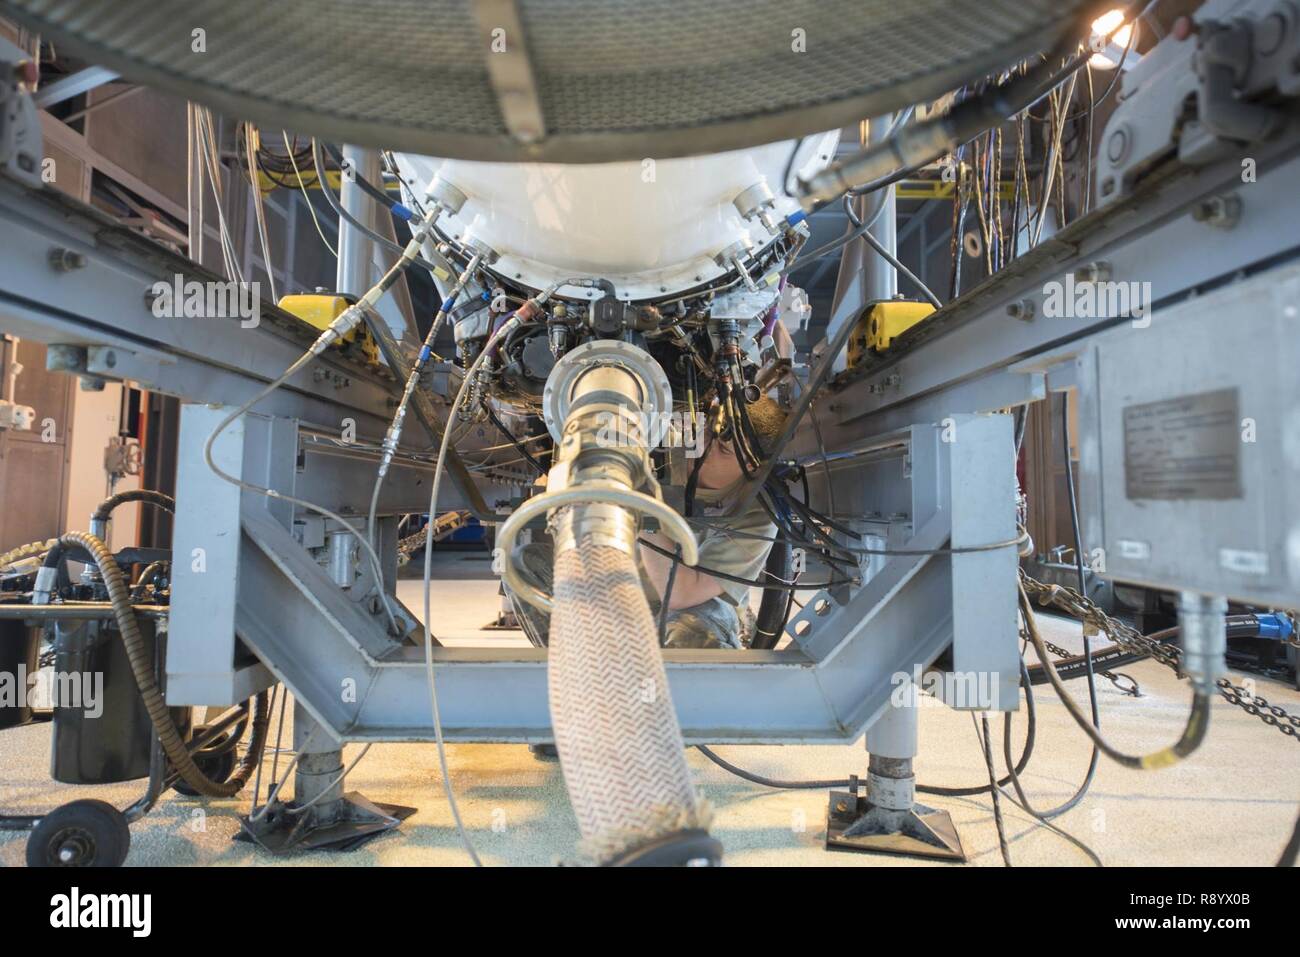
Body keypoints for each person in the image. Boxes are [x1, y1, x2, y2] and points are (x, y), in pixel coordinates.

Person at [507, 396, 786, 650]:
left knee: (688, 631)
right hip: (619, 600)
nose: (704, 450)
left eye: (723, 450)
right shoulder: (662, 449)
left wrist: (643, 512)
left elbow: (682, 593)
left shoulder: (754, 511)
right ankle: (586, 673)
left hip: (690, 613)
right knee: (521, 564)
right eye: (707, 434)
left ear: (752, 464)